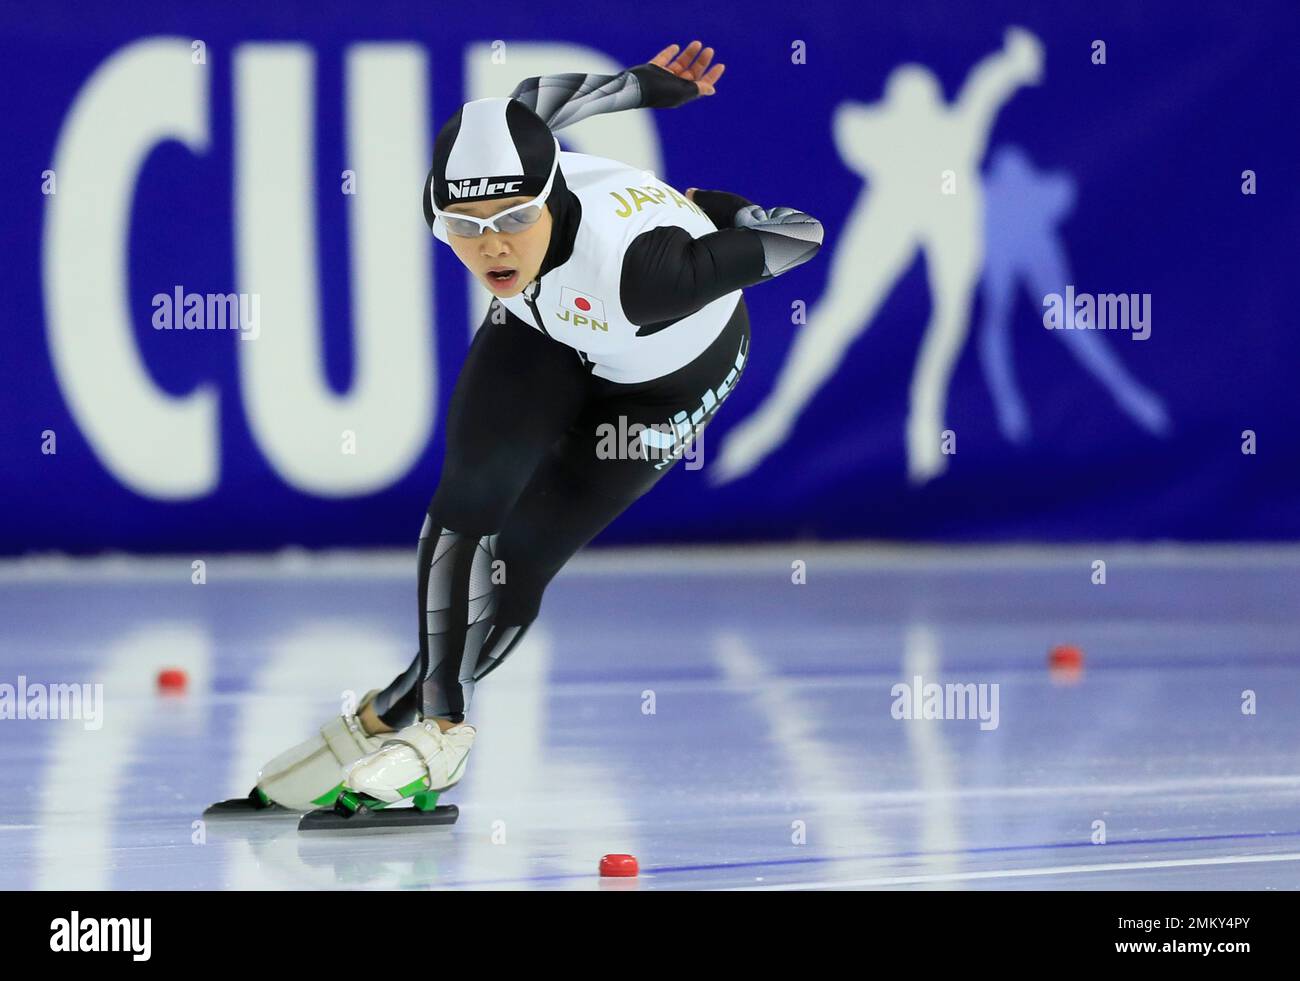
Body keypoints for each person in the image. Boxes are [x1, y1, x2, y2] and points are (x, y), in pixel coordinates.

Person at [253, 41, 824, 814]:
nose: (491, 244)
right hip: (550, 326)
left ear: (552, 194)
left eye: (516, 217)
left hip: (664, 377)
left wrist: (722, 212)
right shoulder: (473, 188)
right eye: (465, 223)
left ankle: (402, 712)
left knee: (519, 559)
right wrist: (649, 86)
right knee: (469, 496)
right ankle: (439, 722)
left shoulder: (648, 276)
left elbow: (804, 233)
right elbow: (545, 94)